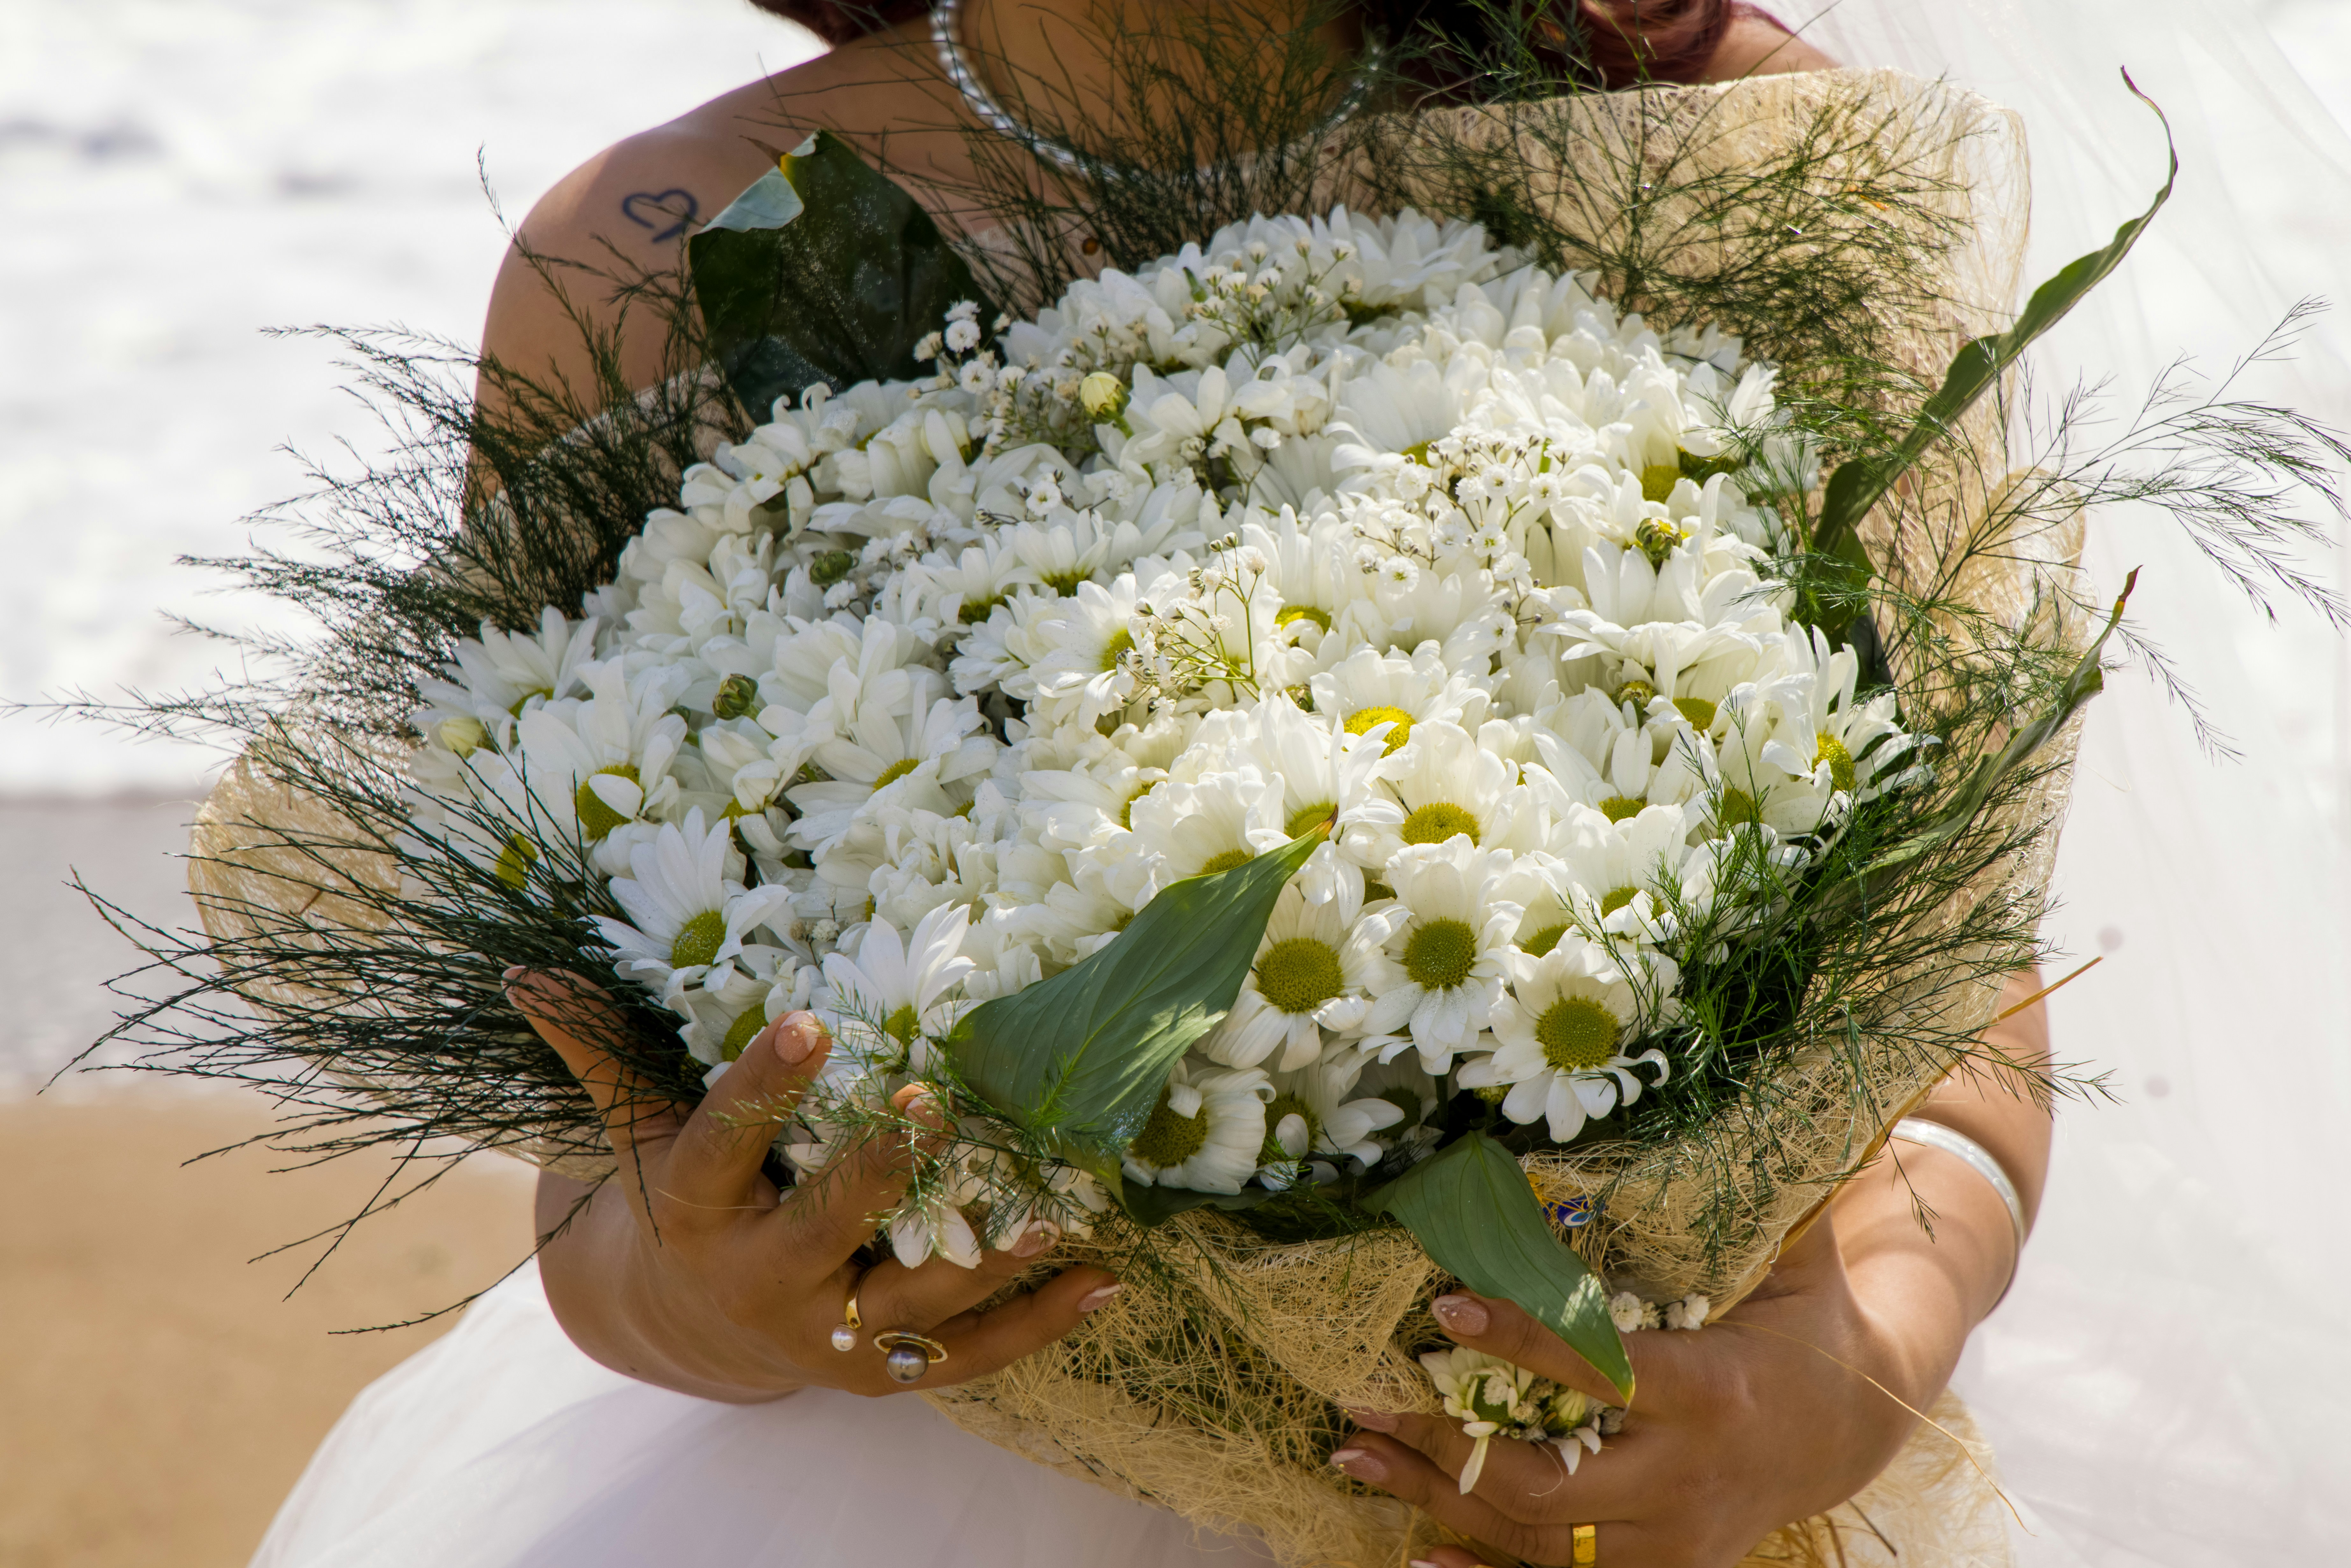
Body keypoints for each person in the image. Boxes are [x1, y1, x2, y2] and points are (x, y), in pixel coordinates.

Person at [254, 2, 2212, 1564]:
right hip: (915, 1495)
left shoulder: (1723, 151)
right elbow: (593, 1147)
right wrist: (704, 1305)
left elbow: (1939, 963)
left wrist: (1836, 1381)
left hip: (1629, 1462)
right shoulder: (652, 250)